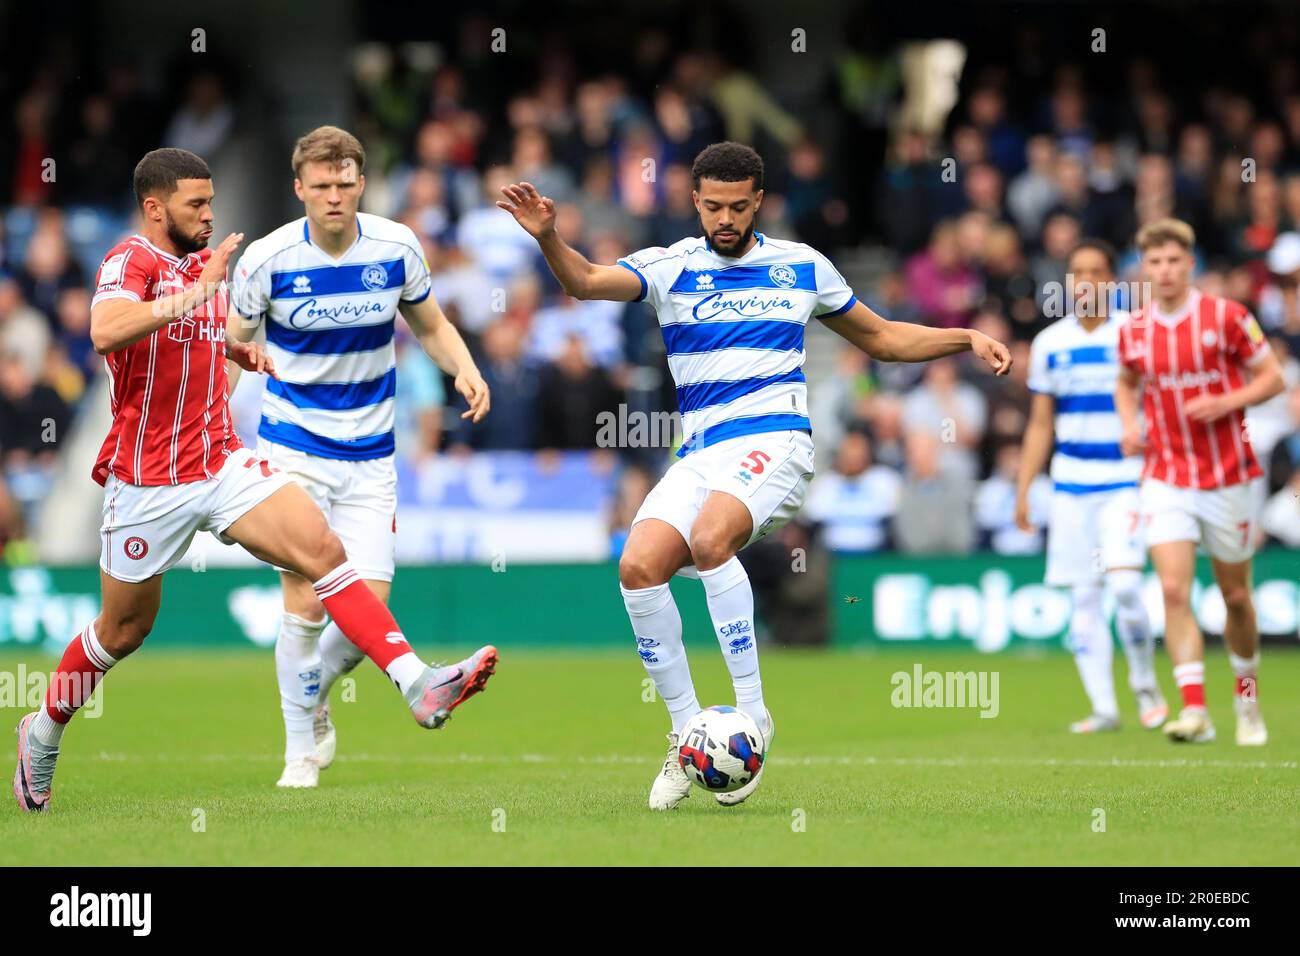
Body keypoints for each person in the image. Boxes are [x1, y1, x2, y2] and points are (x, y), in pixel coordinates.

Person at [497, 141, 1011, 810]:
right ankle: (690, 737)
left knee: (712, 539)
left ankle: (752, 718)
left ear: (758, 201)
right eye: (713, 207)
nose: (725, 220)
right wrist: (549, 238)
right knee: (637, 565)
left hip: (777, 442)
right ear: (695, 202)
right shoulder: (670, 266)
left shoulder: (801, 265)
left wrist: (964, 337)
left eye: (738, 207)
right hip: (702, 452)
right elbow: (587, 282)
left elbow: (882, 339)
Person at [12, 148, 494, 814]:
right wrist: (198, 295)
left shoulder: (195, 269)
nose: (210, 215)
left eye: (212, 201)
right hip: (149, 481)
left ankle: (418, 683)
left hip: (222, 461)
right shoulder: (134, 260)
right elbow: (105, 329)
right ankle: (41, 729)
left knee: (323, 552)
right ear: (155, 209)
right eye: (196, 205)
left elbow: (186, 332)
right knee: (120, 632)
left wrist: (227, 346)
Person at [227, 127, 495, 788]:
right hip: (293, 451)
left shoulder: (397, 247)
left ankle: (310, 700)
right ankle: (298, 752)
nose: (334, 196)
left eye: (345, 183)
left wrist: (464, 368)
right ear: (300, 189)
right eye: (321, 185)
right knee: (306, 599)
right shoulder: (266, 259)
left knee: (362, 609)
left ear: (361, 183)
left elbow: (430, 324)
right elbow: (230, 350)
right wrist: (207, 436)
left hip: (373, 456)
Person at [1115, 218, 1285, 745]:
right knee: (1171, 587)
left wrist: (1225, 402)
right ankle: (1195, 711)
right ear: (1146, 269)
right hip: (1165, 474)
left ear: (1190, 265)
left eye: (1173, 261)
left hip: (1228, 475)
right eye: (1155, 262)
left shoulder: (1228, 317)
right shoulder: (1134, 329)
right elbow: (1125, 380)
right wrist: (1129, 424)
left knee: (1235, 596)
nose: (1164, 271)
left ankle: (1247, 700)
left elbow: (1273, 377)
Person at [1017, 239, 1165, 734]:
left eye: (1096, 272)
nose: (1086, 282)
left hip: (1126, 480)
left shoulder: (1137, 334)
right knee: (1083, 596)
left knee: (1124, 586)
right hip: (1071, 485)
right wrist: (1024, 489)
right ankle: (1104, 707)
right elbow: (1040, 426)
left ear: (1112, 281)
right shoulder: (1049, 344)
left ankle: (1145, 684)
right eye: (1078, 273)